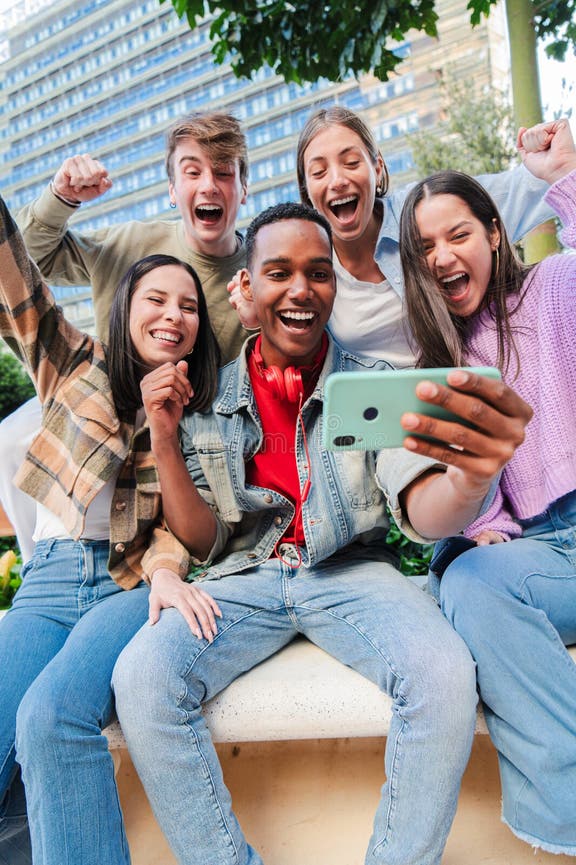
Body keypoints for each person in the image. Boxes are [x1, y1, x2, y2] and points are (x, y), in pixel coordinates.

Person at [112, 201, 532, 865]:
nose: (301, 289)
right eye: (279, 272)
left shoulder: (374, 385)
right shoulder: (206, 399)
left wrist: (470, 479)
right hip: (246, 578)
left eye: (318, 272)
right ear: (248, 286)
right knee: (141, 677)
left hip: (350, 571)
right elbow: (201, 541)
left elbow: (422, 506)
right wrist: (165, 439)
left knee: (445, 674)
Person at [0, 184, 222, 865]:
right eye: (156, 299)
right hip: (47, 581)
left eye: (188, 306)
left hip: (128, 587)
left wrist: (168, 570)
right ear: (125, 309)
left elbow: (186, 531)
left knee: (50, 719)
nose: (173, 314)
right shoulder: (72, 362)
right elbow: (17, 284)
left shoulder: (203, 412)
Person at [398, 118, 576, 854]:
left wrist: (565, 176)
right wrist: (484, 529)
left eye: (458, 234)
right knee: (468, 581)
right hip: (544, 557)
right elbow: (477, 503)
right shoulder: (438, 368)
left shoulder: (553, 289)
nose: (443, 255)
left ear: (495, 235)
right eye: (425, 247)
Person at [0, 110, 250, 563]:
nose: (209, 185)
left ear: (243, 189)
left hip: (193, 422)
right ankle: (40, 561)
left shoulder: (259, 271)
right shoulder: (129, 242)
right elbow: (29, 261)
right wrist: (60, 197)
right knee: (11, 438)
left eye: (224, 173)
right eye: (192, 172)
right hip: (103, 402)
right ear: (172, 190)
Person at [230, 107, 555, 368]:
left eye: (351, 162)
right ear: (307, 190)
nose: (337, 180)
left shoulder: (420, 212)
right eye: (319, 172)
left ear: (377, 168)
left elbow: (528, 188)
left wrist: (548, 157)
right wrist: (261, 318)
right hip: (377, 415)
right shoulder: (311, 262)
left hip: (463, 389)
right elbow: (298, 333)